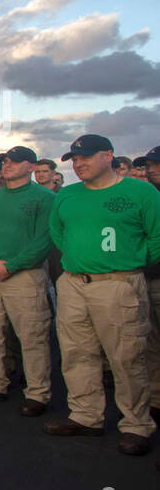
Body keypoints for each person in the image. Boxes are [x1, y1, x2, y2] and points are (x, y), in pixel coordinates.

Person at [45, 134, 160, 455]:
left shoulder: (141, 192)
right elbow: (58, 233)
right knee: (76, 352)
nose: (79, 164)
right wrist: (81, 260)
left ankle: (137, 423)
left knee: (126, 356)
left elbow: (156, 236)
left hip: (118, 283)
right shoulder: (67, 195)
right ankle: (86, 415)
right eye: (75, 160)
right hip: (73, 282)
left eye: (86, 157)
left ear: (108, 155)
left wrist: (128, 263)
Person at [0, 146, 56, 416]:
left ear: (31, 166)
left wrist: (12, 265)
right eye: (5, 161)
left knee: (32, 335)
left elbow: (44, 240)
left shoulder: (45, 198)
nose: (7, 165)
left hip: (26, 275)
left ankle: (38, 392)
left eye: (15, 162)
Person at [136, 145, 160, 438]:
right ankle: (155, 400)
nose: (151, 169)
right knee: (151, 344)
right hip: (146, 277)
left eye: (156, 165)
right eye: (150, 164)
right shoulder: (146, 197)